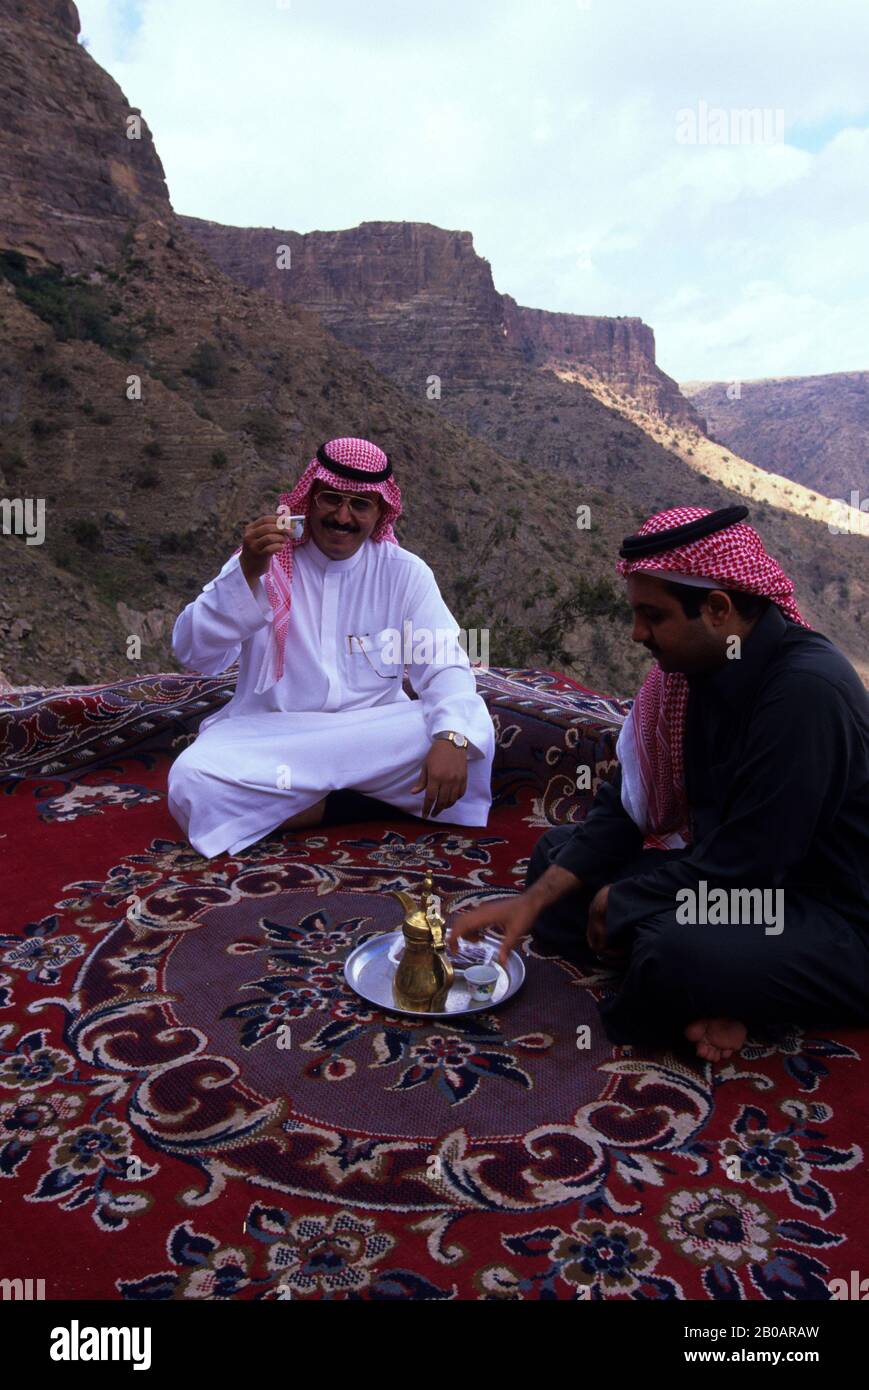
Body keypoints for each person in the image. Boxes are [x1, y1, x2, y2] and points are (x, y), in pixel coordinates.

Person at [448, 504, 869, 1063]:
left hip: (827, 912)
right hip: (736, 882)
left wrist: (623, 900)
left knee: (675, 949)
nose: (637, 633)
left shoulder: (805, 694)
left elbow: (752, 863)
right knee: (557, 860)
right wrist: (534, 901)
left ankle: (717, 992)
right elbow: (626, 806)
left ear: (718, 609)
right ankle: (722, 995)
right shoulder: (694, 672)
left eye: (653, 616)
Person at [168, 437, 495, 858]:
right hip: (275, 736)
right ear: (310, 497)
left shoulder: (404, 573)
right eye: (331, 499)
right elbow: (195, 654)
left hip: (373, 734)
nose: (343, 516)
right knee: (193, 781)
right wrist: (246, 575)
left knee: (469, 738)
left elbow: (445, 663)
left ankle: (288, 808)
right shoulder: (262, 563)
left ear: (380, 512)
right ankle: (359, 805)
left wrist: (451, 737)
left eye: (360, 505)